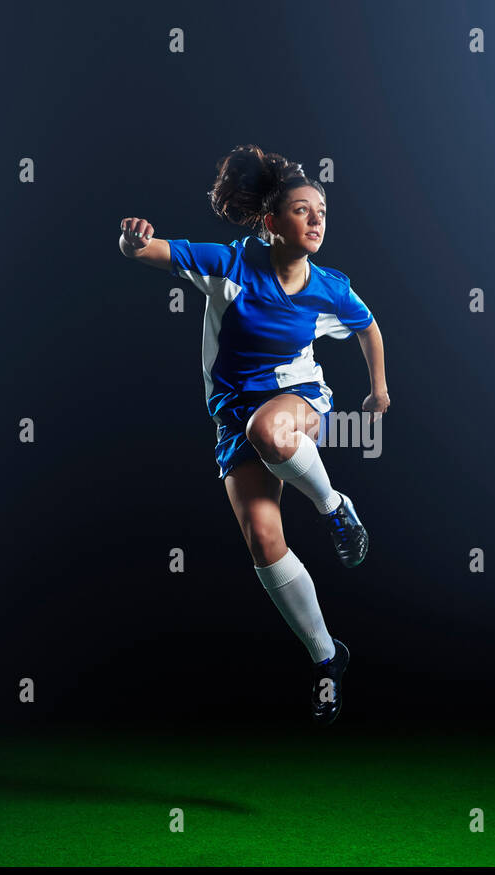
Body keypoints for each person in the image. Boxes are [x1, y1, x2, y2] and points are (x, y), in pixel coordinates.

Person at [119, 144, 390, 726]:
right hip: (231, 415)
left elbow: (369, 328)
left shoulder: (330, 286)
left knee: (269, 428)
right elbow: (152, 251)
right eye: (301, 210)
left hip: (299, 401)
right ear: (271, 223)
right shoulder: (229, 265)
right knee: (264, 541)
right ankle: (327, 659)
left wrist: (379, 390)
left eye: (321, 209)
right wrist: (133, 240)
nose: (316, 219)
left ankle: (336, 506)